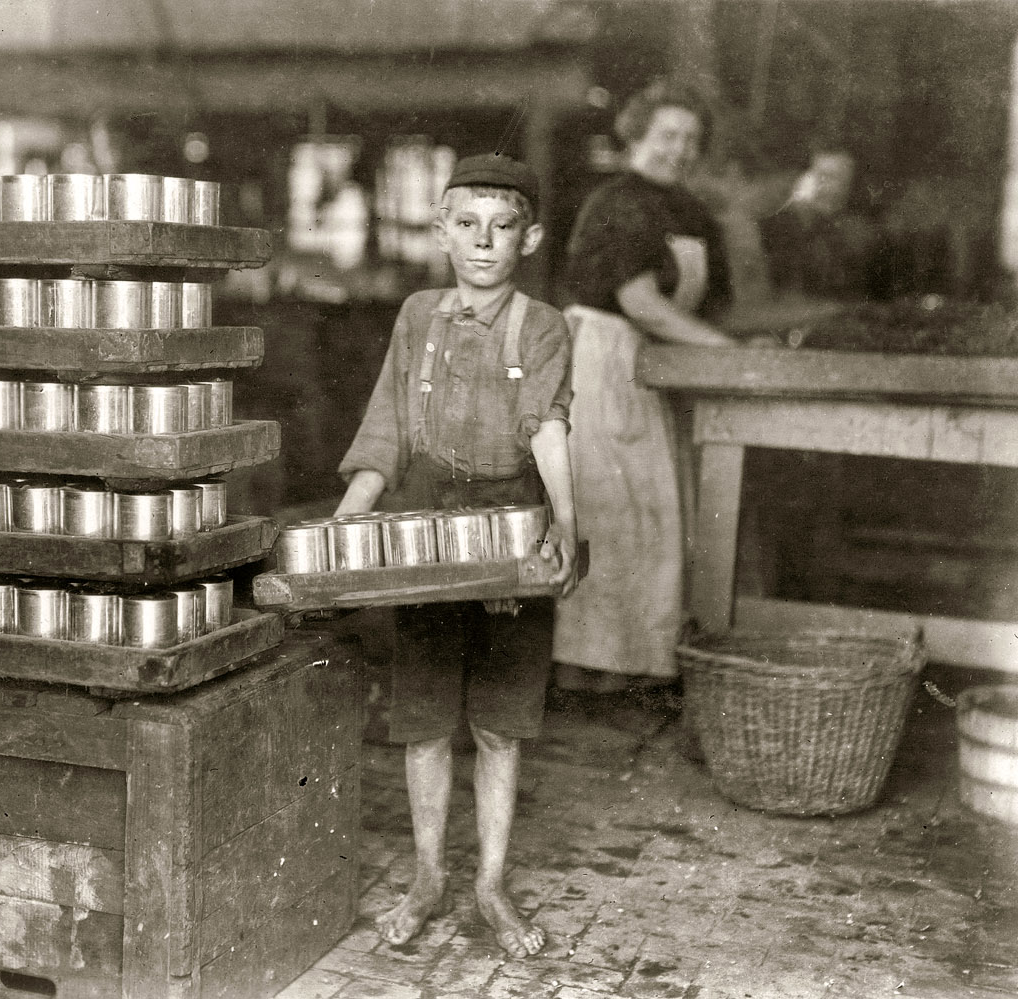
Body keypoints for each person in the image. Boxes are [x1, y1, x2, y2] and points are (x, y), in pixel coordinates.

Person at [335, 153, 579, 958]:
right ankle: (430, 875)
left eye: (503, 227)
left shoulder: (541, 326)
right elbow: (387, 429)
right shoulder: (417, 316)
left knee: (502, 725)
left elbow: (548, 428)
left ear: (529, 237)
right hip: (427, 533)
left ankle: (491, 884)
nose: (484, 242)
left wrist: (564, 528)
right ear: (441, 231)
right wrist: (346, 523)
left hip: (511, 533)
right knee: (425, 721)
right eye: (466, 225)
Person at [553, 82, 741, 694]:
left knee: (657, 518)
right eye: (667, 135)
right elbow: (641, 304)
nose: (679, 150)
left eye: (691, 139)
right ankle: (586, 668)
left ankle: (636, 665)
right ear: (636, 135)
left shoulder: (691, 212)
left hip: (664, 365)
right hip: (607, 363)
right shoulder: (615, 203)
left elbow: (712, 306)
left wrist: (724, 342)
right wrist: (726, 354)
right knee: (612, 515)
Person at [759, 149, 882, 302]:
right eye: (817, 175)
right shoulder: (786, 224)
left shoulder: (860, 231)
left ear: (848, 183)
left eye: (831, 177)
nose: (820, 183)